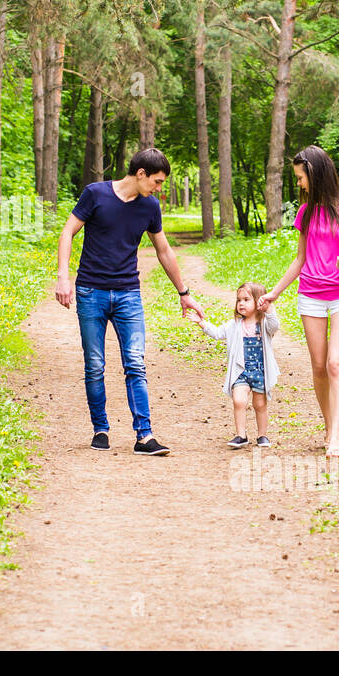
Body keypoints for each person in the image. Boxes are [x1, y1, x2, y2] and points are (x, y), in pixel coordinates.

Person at [55, 148, 206, 456]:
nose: (159, 188)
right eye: (157, 181)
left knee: (135, 364)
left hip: (128, 294)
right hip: (90, 292)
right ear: (140, 174)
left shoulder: (149, 206)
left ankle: (145, 436)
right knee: (95, 365)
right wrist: (63, 277)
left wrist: (184, 292)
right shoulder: (95, 194)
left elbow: (164, 251)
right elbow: (68, 232)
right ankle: (100, 428)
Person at [258, 145, 339, 458]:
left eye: (300, 177)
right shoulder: (306, 211)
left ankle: (336, 435)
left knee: (336, 362)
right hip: (311, 296)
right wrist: (274, 293)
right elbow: (300, 260)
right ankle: (329, 423)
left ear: (316, 173)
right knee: (319, 367)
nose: (299, 183)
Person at [185, 282, 281, 449]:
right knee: (238, 400)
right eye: (239, 300)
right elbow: (217, 333)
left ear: (258, 302)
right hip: (240, 370)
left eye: (246, 299)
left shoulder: (264, 324)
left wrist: (269, 308)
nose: (241, 303)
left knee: (260, 404)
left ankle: (262, 435)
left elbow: (275, 326)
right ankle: (241, 435)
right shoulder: (233, 326)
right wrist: (201, 323)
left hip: (260, 370)